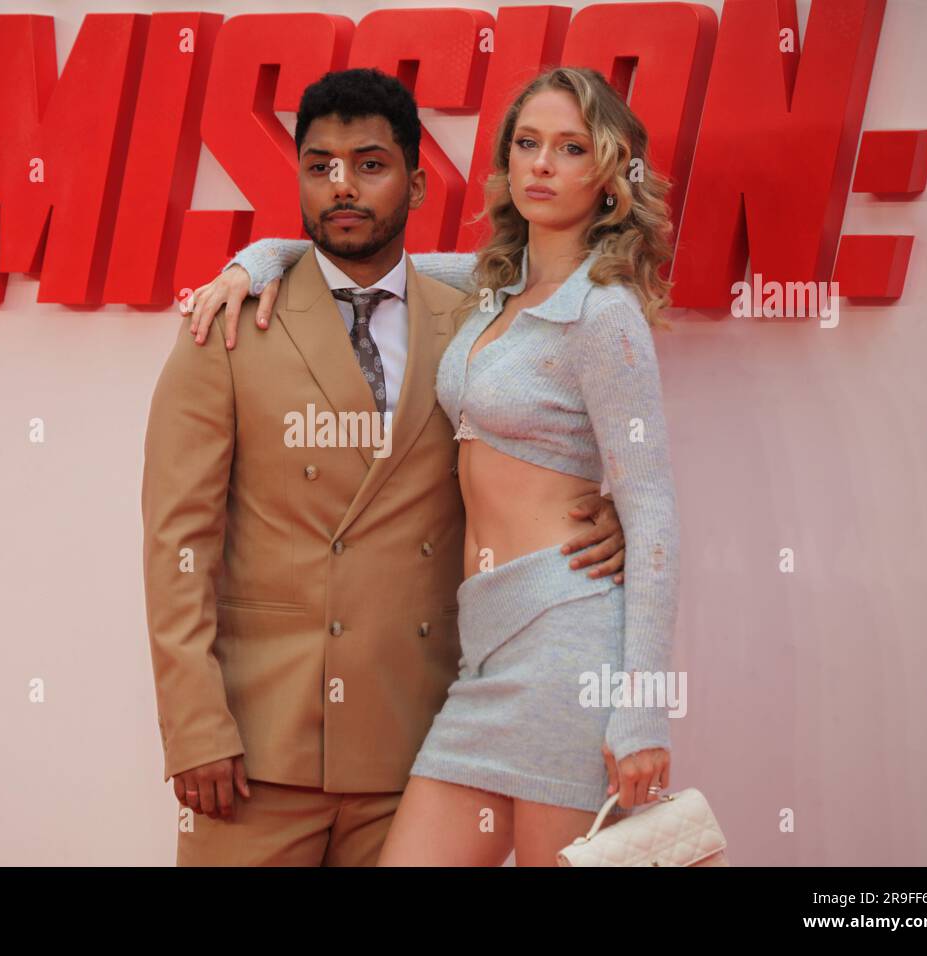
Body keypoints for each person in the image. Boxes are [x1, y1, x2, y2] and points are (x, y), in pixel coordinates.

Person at [186, 65, 681, 866]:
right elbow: (358, 260)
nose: (542, 165)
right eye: (527, 144)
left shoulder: (604, 311)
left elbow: (652, 507)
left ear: (610, 173)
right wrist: (257, 260)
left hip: (568, 646)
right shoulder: (491, 287)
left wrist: (643, 715)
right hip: (480, 654)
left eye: (569, 147)